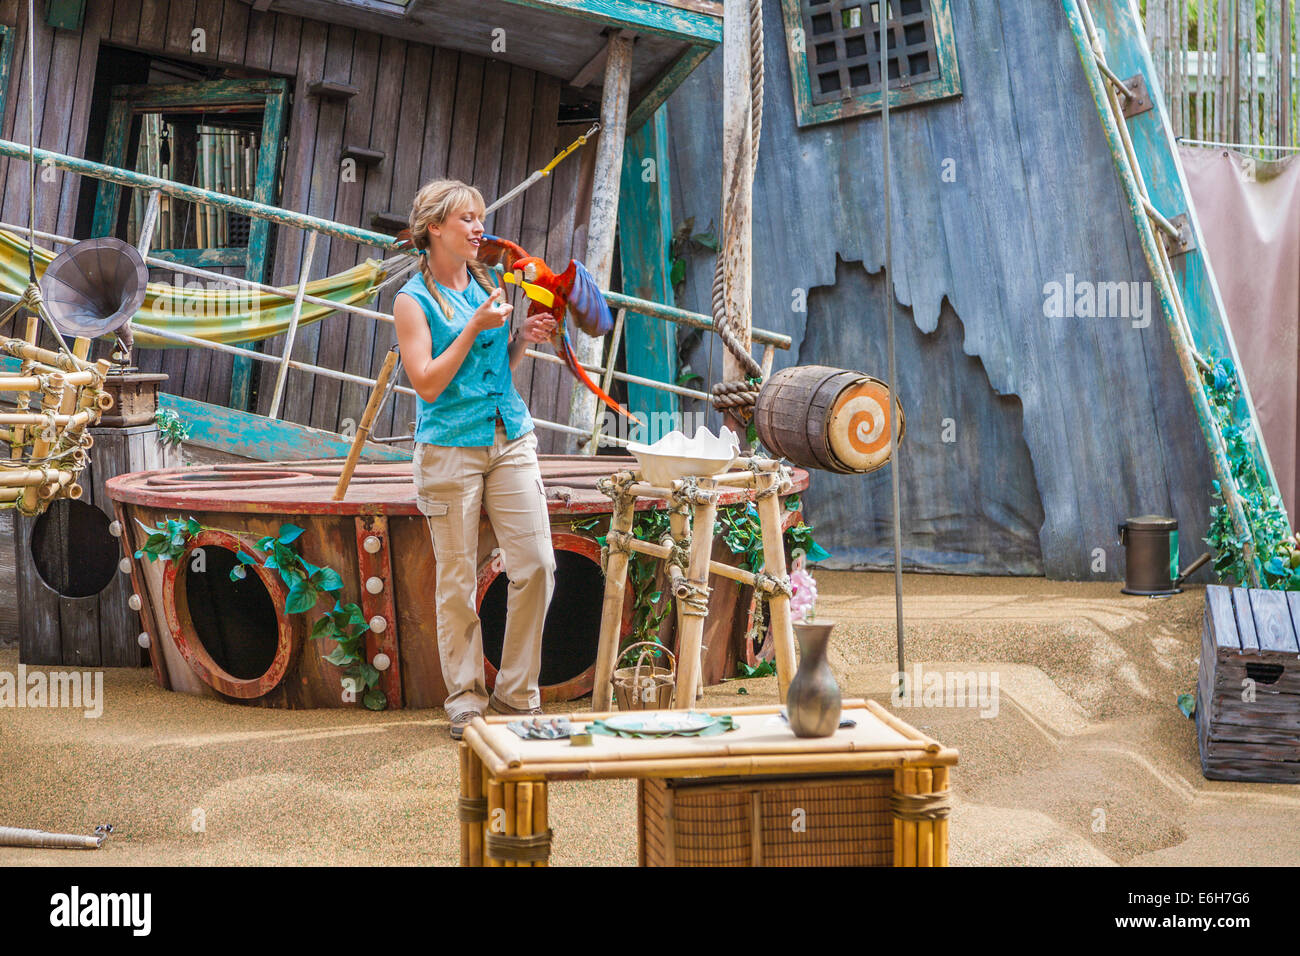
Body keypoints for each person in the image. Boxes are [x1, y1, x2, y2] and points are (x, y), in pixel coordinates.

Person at [393, 179, 558, 740]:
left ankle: (517, 695)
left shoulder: (486, 281)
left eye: (480, 218)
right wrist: (471, 327)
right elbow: (428, 383)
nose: (478, 228)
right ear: (434, 227)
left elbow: (494, 371)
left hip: (509, 436)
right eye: (466, 219)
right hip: (448, 450)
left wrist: (522, 340)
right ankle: (465, 698)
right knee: (457, 580)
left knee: (537, 563)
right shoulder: (412, 301)